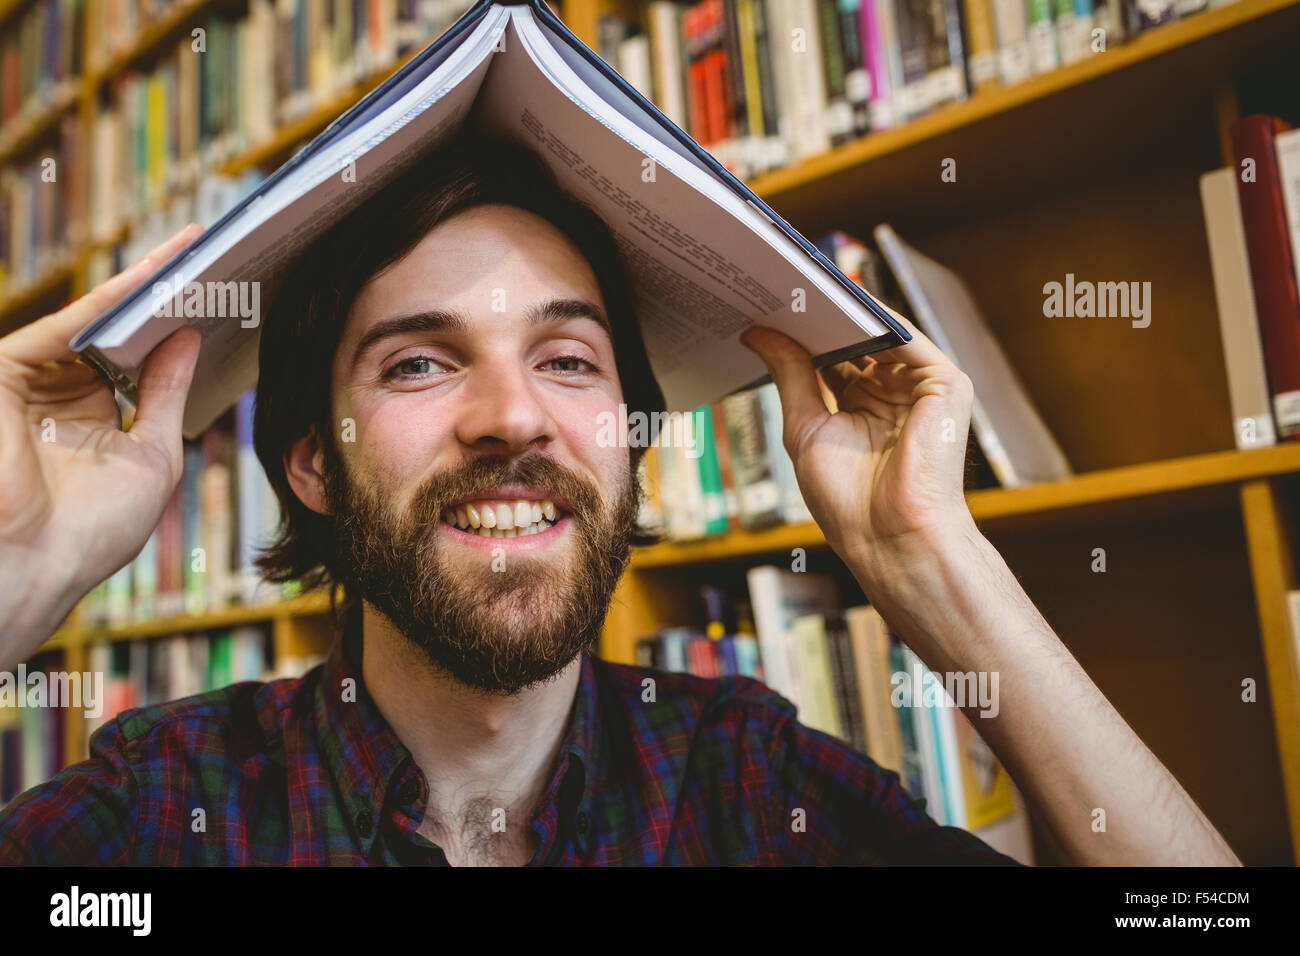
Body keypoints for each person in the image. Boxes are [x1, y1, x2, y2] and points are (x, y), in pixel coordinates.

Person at [0, 132, 1239, 866]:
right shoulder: (170, 808)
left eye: (569, 358)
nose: (514, 415)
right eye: (420, 361)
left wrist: (931, 557)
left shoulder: (752, 784)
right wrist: (16, 583)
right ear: (311, 463)